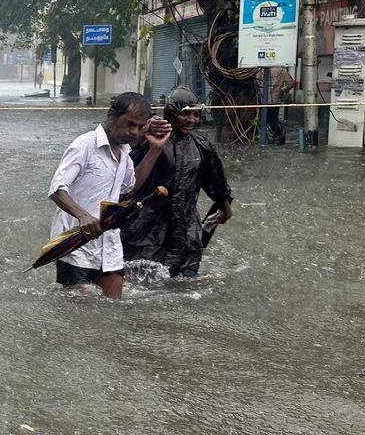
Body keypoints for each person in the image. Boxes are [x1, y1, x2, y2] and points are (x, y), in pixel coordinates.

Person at [48, 92, 170, 298]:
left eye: (140, 127)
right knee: (80, 307)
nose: (134, 132)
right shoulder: (85, 145)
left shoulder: (124, 152)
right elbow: (57, 188)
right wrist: (83, 215)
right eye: (129, 124)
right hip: (76, 243)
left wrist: (155, 149)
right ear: (111, 115)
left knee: (112, 307)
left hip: (109, 244)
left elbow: (130, 187)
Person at [122, 86, 232, 279]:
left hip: (187, 235)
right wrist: (146, 131)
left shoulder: (201, 145)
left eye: (196, 115)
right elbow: (126, 171)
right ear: (171, 113)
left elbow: (215, 180)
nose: (191, 120)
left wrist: (225, 207)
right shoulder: (151, 140)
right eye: (185, 114)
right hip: (148, 234)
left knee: (187, 285)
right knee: (146, 285)